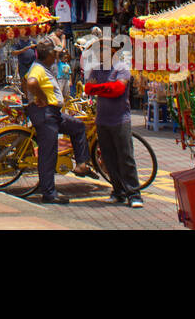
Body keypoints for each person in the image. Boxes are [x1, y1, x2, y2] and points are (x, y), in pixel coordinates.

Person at [24, 37, 92, 205]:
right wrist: (39, 97)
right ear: (47, 55)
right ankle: (49, 193)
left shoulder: (43, 67)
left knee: (78, 126)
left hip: (53, 113)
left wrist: (33, 96)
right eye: (54, 53)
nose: (56, 56)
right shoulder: (38, 68)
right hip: (45, 114)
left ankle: (82, 164)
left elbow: (25, 80)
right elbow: (31, 82)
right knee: (48, 154)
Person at [84, 50, 142, 208]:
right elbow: (88, 89)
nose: (100, 54)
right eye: (99, 51)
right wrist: (105, 88)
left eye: (103, 51)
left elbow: (118, 89)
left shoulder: (121, 68)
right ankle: (118, 192)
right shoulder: (96, 69)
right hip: (102, 119)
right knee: (108, 159)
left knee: (125, 157)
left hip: (120, 119)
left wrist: (99, 88)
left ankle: (134, 194)